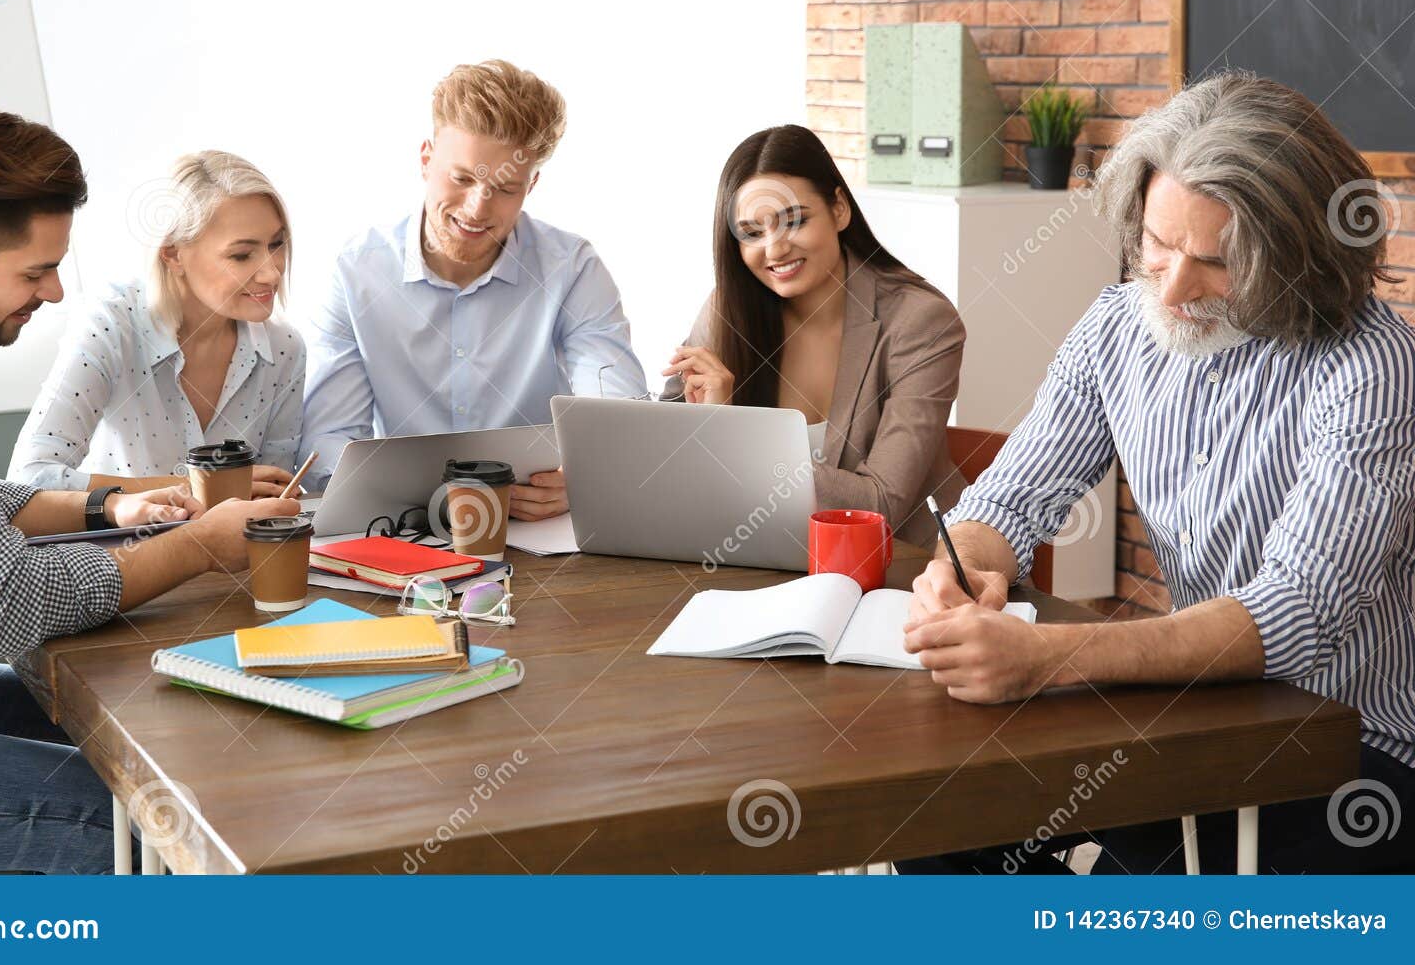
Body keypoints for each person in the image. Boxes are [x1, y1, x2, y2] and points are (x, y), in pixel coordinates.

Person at [900, 72, 1415, 873]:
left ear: (1299, 255)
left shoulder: (1371, 363)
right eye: (1159, 244)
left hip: (1355, 754)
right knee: (936, 830)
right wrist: (964, 567)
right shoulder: (1119, 323)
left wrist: (1047, 659)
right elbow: (1010, 498)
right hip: (1201, 718)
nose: (1173, 289)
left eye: (1217, 261)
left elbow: (1297, 611)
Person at [0, 110, 297, 874]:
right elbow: (8, 604)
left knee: (127, 742)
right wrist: (200, 544)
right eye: (35, 271)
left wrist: (111, 505)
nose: (54, 289)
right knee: (154, 828)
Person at [299, 59, 644, 518]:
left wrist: (584, 477)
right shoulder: (356, 272)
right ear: (425, 159)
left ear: (531, 184)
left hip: (536, 525)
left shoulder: (572, 268)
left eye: (505, 188)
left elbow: (619, 421)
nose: (478, 209)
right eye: (461, 178)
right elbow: (328, 443)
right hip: (403, 525)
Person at [661, 125, 966, 547]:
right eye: (751, 232)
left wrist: (729, 432)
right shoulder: (725, 311)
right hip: (762, 555)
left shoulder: (921, 322)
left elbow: (880, 506)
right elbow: (665, 468)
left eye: (795, 221)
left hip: (907, 571)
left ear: (839, 209)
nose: (774, 249)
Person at [9, 150, 305, 497]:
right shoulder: (111, 325)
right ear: (174, 254)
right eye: (241, 255)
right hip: (119, 550)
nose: (272, 272)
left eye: (277, 244)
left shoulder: (284, 348)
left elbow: (272, 496)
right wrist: (198, 488)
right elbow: (31, 479)